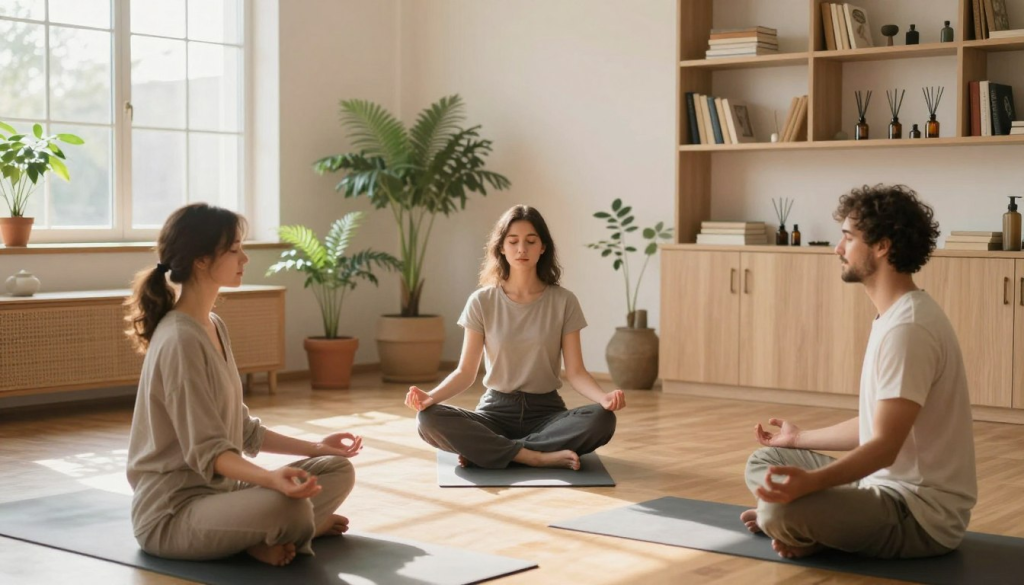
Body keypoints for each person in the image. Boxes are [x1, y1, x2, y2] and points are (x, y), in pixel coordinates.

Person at [741, 184, 977, 559]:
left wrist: (810, 486)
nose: (838, 249)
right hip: (880, 490)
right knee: (765, 462)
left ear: (881, 246)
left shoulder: (908, 329)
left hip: (918, 516)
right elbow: (876, 425)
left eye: (848, 238)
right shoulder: (893, 316)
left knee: (776, 509)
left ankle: (803, 524)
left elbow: (883, 447)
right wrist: (800, 438)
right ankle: (810, 522)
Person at [125, 203, 363, 567]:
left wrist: (316, 447)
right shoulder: (179, 340)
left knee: (335, 468)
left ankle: (266, 536)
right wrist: (272, 480)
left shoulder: (213, 325)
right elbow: (209, 451)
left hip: (218, 495)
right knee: (293, 509)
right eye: (235, 249)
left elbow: (242, 429)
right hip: (171, 516)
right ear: (202, 261)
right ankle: (291, 530)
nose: (245, 258)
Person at [405, 204, 625, 470]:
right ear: (501, 247)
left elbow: (576, 372)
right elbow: (465, 372)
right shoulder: (481, 301)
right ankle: (534, 456)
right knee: (428, 419)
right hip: (495, 412)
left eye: (531, 241)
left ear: (543, 247)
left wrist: (603, 398)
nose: (522, 249)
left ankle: (494, 450)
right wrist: (430, 397)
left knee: (602, 419)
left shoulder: (564, 301)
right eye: (513, 241)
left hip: (547, 413)